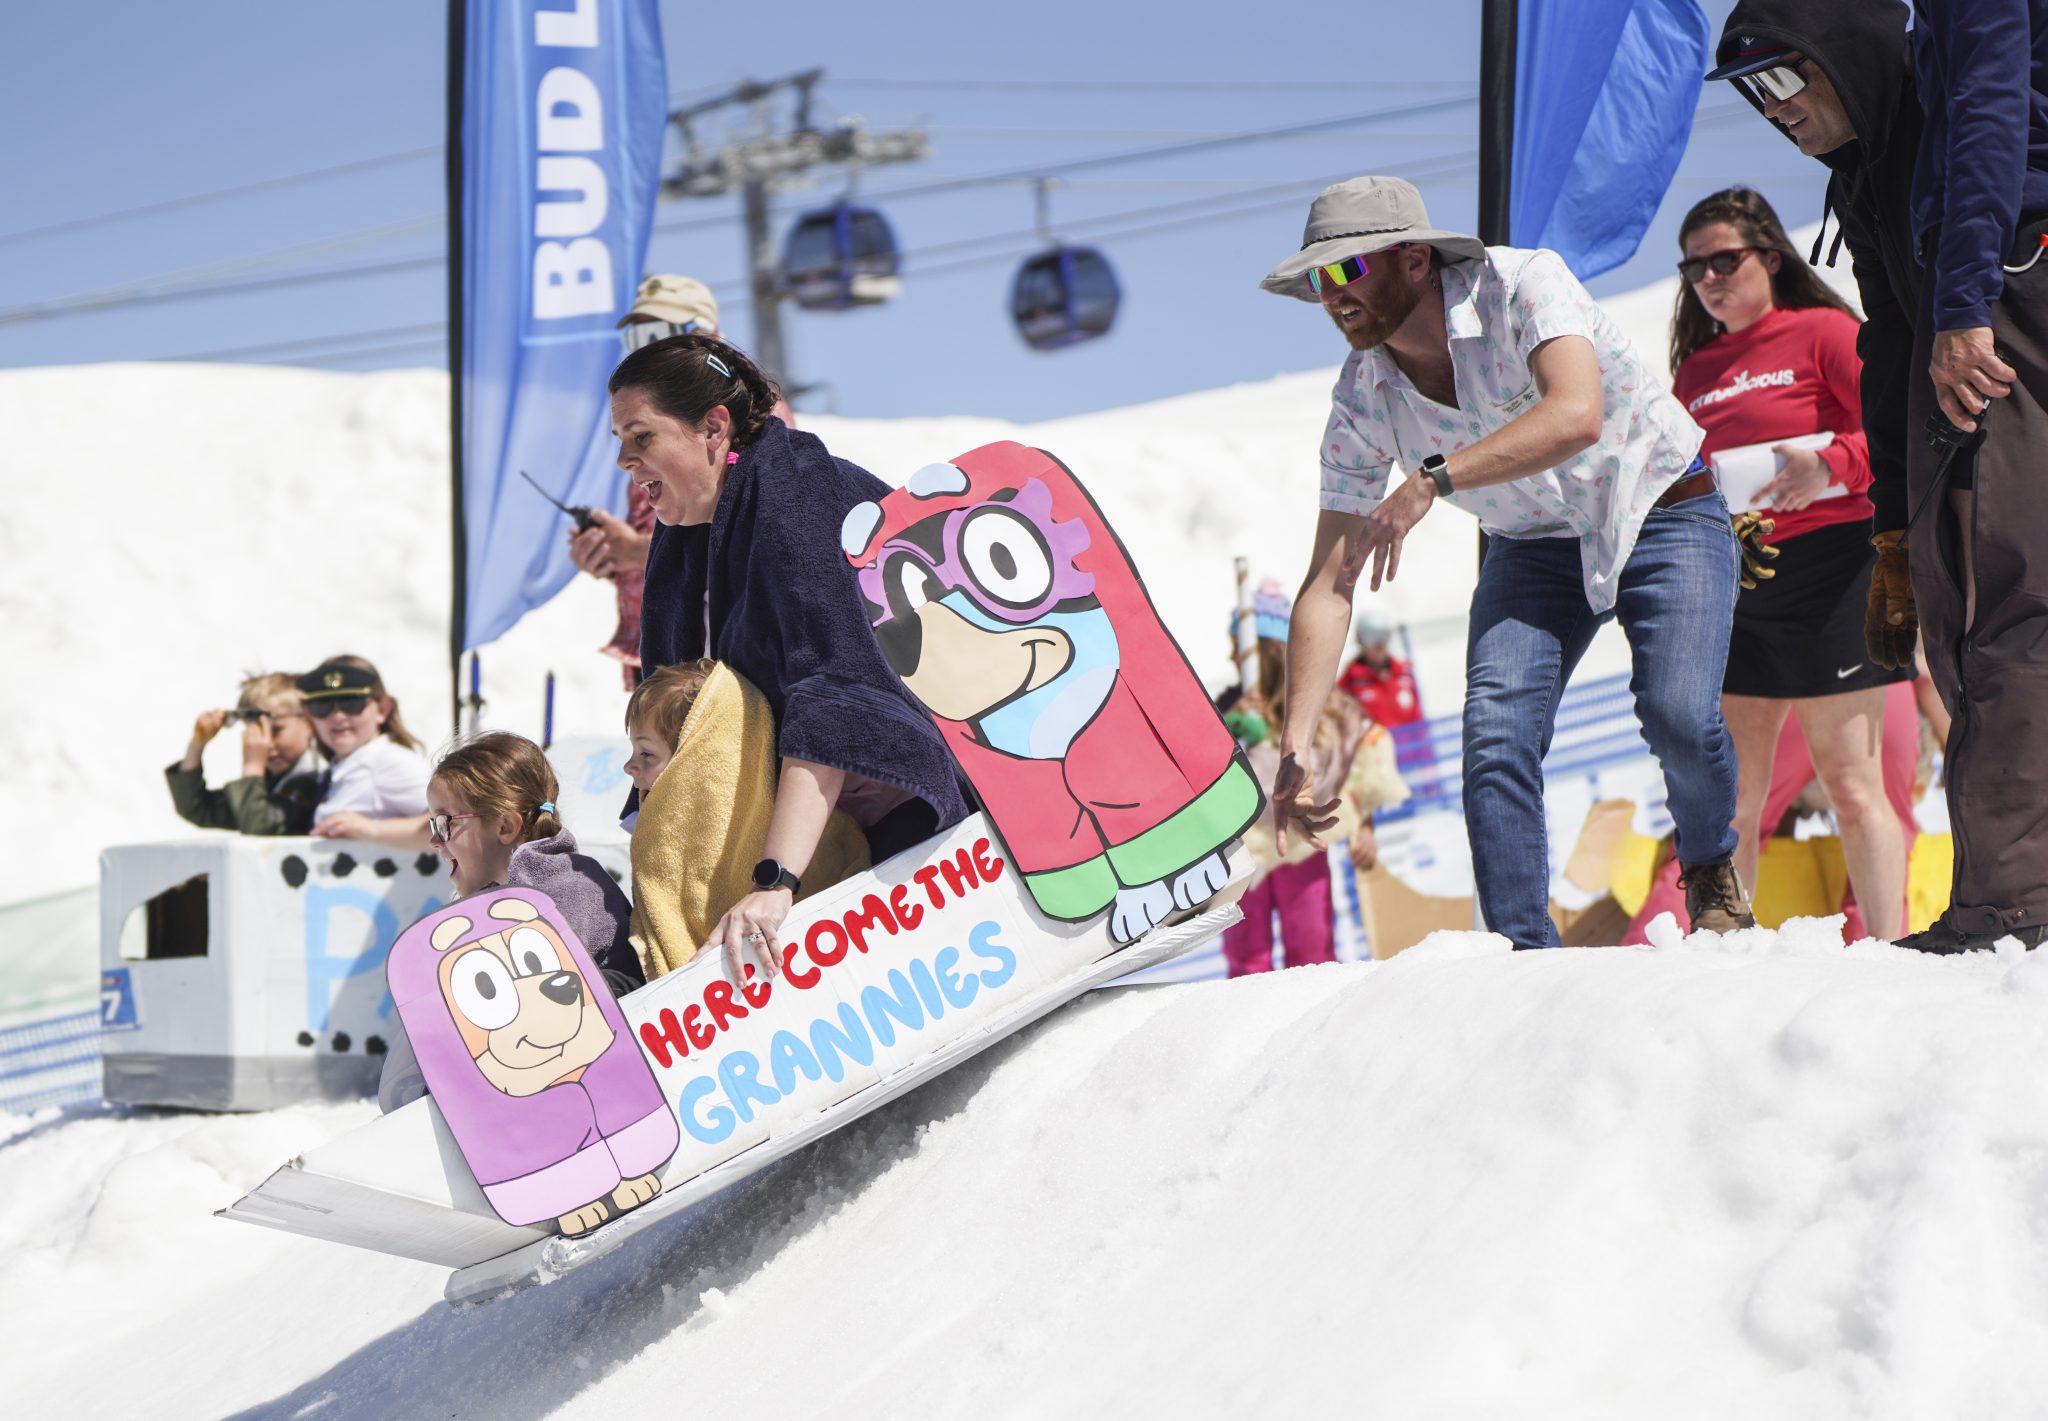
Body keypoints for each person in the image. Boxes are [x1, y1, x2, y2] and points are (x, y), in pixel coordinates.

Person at [1261, 176, 1748, 952]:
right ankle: (1521, 955)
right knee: (1495, 736)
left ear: (1415, 259)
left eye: (1347, 270)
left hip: (1661, 507)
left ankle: (1711, 865)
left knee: (1678, 714)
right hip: (1533, 548)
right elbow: (1329, 583)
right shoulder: (1362, 397)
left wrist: (1435, 478)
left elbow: (1575, 413)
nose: (1330, 295)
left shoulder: (1522, 284)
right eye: (1316, 280)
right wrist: (1295, 740)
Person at [613, 332, 967, 980]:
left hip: (918, 838)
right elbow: (677, 716)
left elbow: (835, 695)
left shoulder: (797, 494)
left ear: (714, 427)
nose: (624, 460)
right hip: (832, 841)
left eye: (640, 437)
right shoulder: (699, 531)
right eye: (619, 441)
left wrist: (775, 884)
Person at [1669, 187, 1912, 940]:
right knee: (1733, 802)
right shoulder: (1693, 375)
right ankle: (1725, 957)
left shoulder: (1822, 333)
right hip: (1738, 585)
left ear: (1770, 257)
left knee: (1851, 784)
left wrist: (1830, 466)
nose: (1710, 276)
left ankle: (1890, 946)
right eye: (1694, 267)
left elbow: (1900, 429)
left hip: (1834, 573)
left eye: (1725, 259)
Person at [1877, 2, 2048, 952]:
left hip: (2011, 264)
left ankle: (2013, 899)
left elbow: (1991, 101)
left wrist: (1963, 297)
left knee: (1997, 591)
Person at [378, 731, 639, 1113]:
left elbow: (573, 1013)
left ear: (504, 827)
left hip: (599, 1091)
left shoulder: (562, 890)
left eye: (445, 824)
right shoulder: (509, 897)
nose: (436, 841)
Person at [569, 275, 797, 689]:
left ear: (703, 334)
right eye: (637, 335)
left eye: (657, 333)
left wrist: (637, 550)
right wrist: (612, 559)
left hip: (719, 662)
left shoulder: (746, 407)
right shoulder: (655, 418)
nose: (645, 348)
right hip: (670, 648)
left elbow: (753, 528)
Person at [1220, 582, 1407, 976]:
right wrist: (1233, 730)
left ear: (1270, 649)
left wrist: (1364, 827)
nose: (1233, 655)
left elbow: (1359, 754)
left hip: (1301, 848)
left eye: (1241, 644)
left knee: (1312, 951)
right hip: (1243, 859)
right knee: (1246, 960)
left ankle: (1316, 1031)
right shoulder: (1225, 708)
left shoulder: (1314, 708)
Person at [296, 656, 432, 846]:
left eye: (352, 703)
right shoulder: (344, 765)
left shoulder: (389, 762)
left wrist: (374, 830)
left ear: (383, 709)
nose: (337, 716)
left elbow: (456, 823)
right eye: (322, 705)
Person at [166, 672, 322, 835]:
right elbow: (197, 808)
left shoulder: (316, 778)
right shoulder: (272, 781)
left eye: (276, 730)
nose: (266, 743)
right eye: (255, 731)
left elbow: (260, 830)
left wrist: (253, 767)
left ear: (309, 723)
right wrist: (197, 744)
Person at [1337, 609, 1423, 729]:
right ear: (1361, 641)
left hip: (1412, 745)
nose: (1379, 645)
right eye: (1372, 639)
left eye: (1384, 637)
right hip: (1377, 745)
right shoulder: (1350, 680)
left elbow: (1418, 714)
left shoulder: (1403, 672)